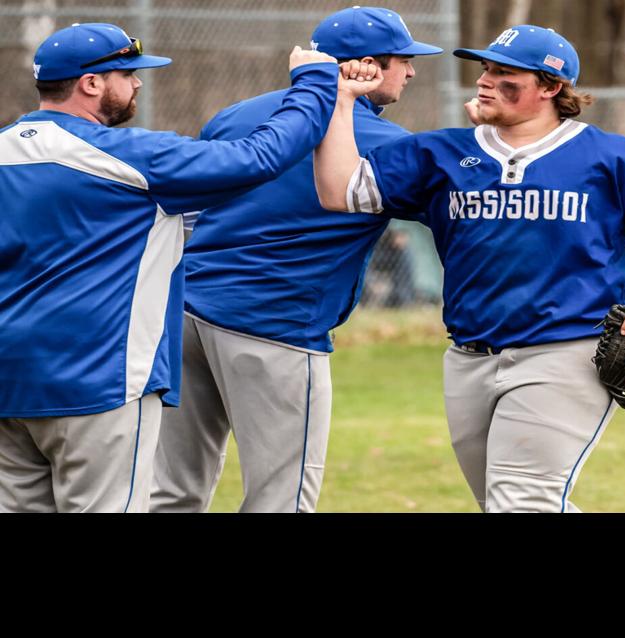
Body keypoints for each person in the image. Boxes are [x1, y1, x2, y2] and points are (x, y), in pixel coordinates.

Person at [312, 25, 625, 512]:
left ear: (550, 87)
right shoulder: (439, 152)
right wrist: (340, 100)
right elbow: (340, 191)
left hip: (566, 351)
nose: (484, 81)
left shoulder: (613, 156)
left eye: (505, 74)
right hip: (468, 357)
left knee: (521, 502)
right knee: (504, 503)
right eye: (485, 69)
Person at [0, 22, 363, 513]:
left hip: (11, 382)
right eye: (127, 73)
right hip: (99, 380)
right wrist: (315, 83)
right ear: (90, 83)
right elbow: (257, 158)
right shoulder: (123, 157)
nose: (137, 84)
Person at [149, 7, 442, 514]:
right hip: (273, 326)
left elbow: (189, 213)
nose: (412, 71)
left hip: (183, 316)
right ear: (368, 66)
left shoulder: (237, 114)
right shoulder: (388, 145)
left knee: (171, 494)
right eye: (403, 60)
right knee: (280, 501)